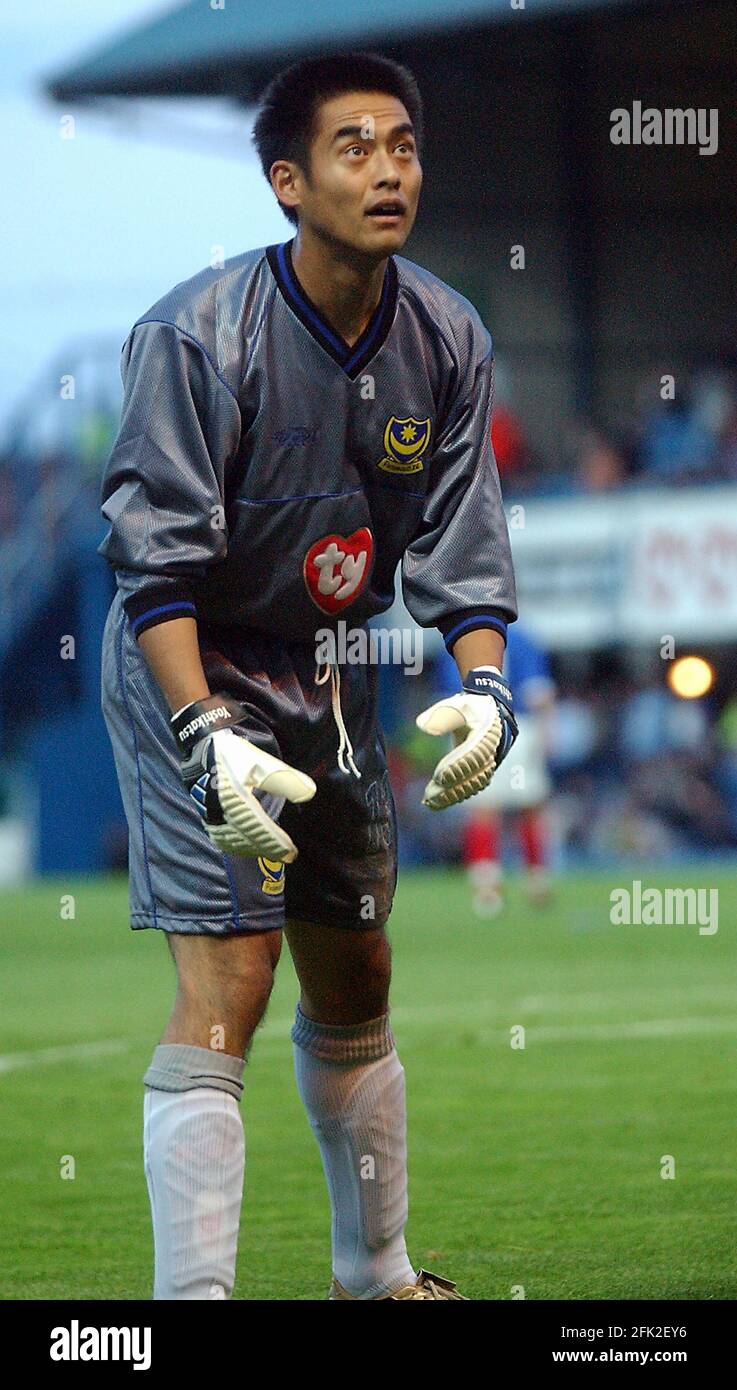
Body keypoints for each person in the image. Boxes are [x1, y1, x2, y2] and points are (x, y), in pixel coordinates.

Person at [99, 51, 517, 1302]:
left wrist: (486, 684)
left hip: (331, 675)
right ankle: (192, 1305)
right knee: (231, 975)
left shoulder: (448, 333)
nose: (388, 169)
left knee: (359, 968)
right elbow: (152, 570)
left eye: (402, 144)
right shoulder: (194, 335)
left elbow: (462, 543)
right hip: (195, 665)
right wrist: (201, 729)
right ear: (286, 182)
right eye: (353, 147)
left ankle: (374, 1272)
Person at [435, 624, 555, 915]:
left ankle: (487, 888)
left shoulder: (455, 637)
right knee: (530, 806)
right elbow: (539, 693)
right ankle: (536, 880)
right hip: (516, 726)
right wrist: (548, 732)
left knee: (483, 808)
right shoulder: (521, 637)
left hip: (473, 729)